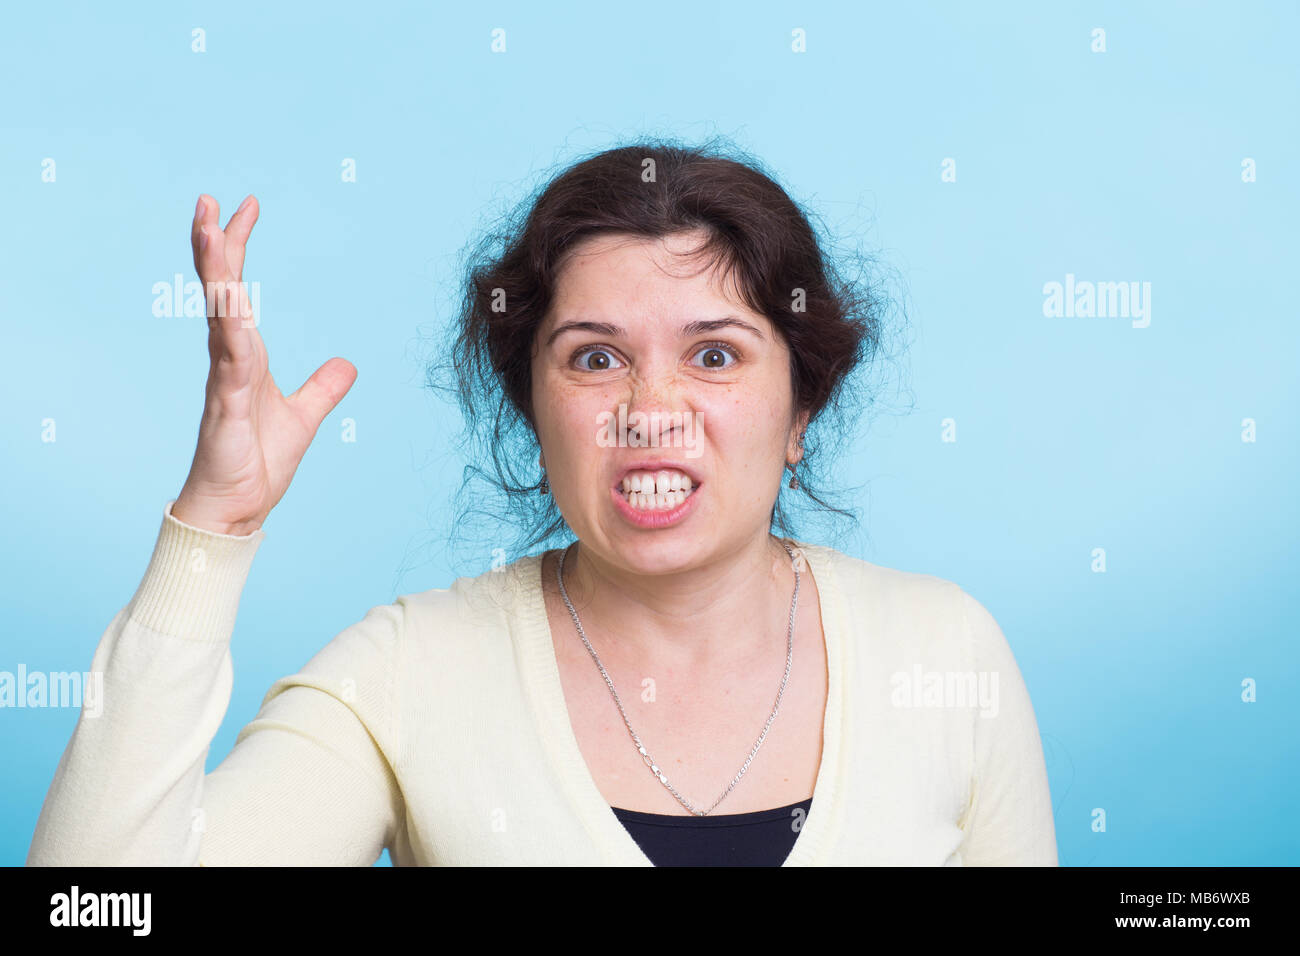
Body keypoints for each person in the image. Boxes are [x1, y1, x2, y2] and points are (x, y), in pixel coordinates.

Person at [26, 141, 1057, 866]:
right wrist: (212, 529)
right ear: (532, 408)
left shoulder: (944, 653)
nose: (650, 411)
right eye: (596, 358)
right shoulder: (406, 675)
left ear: (800, 410)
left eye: (713, 354)